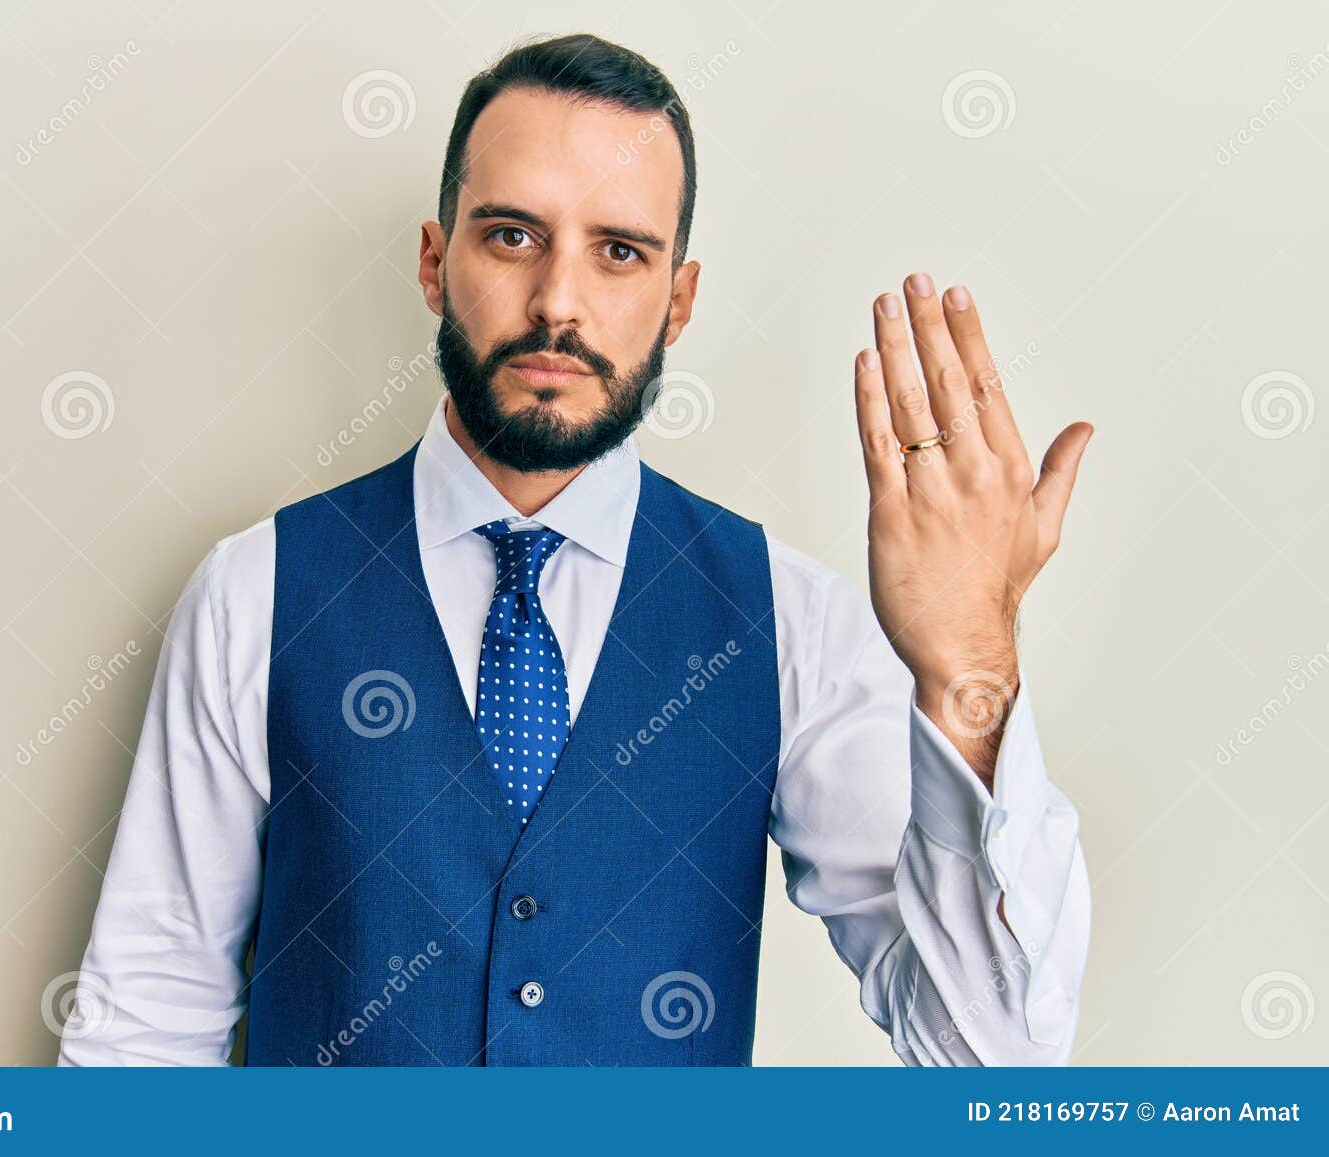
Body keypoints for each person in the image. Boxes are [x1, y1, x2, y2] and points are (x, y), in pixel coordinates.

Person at [59, 32, 1091, 1067]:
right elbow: (145, 1022)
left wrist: (969, 666)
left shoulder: (789, 622)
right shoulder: (257, 590)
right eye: (512, 236)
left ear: (677, 301)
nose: (558, 300)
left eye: (619, 250)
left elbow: (989, 1055)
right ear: (434, 260)